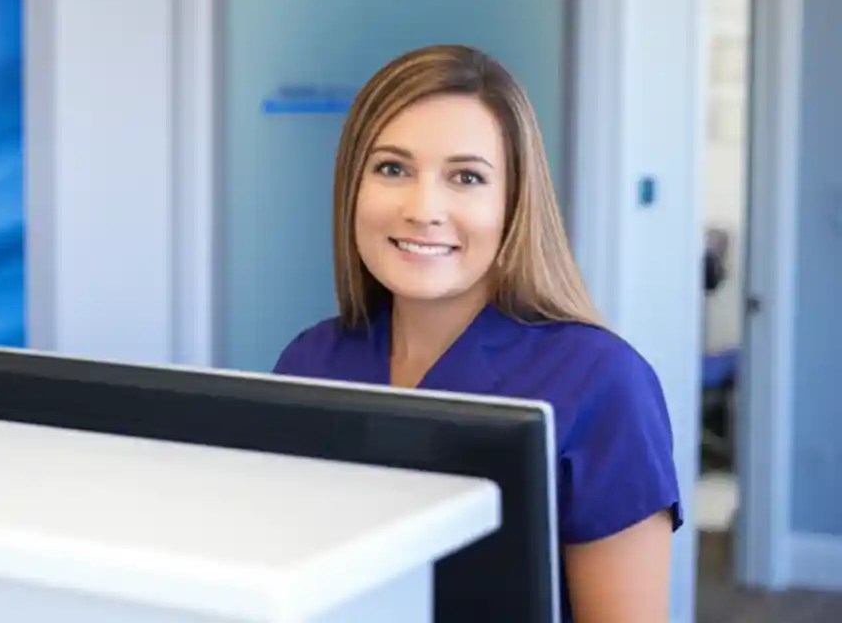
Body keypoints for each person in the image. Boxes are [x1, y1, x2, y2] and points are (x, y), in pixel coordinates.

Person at [273, 45, 682, 622]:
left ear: (513, 204)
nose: (424, 208)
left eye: (466, 177)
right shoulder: (311, 362)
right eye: (392, 168)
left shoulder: (602, 384)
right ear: (353, 187)